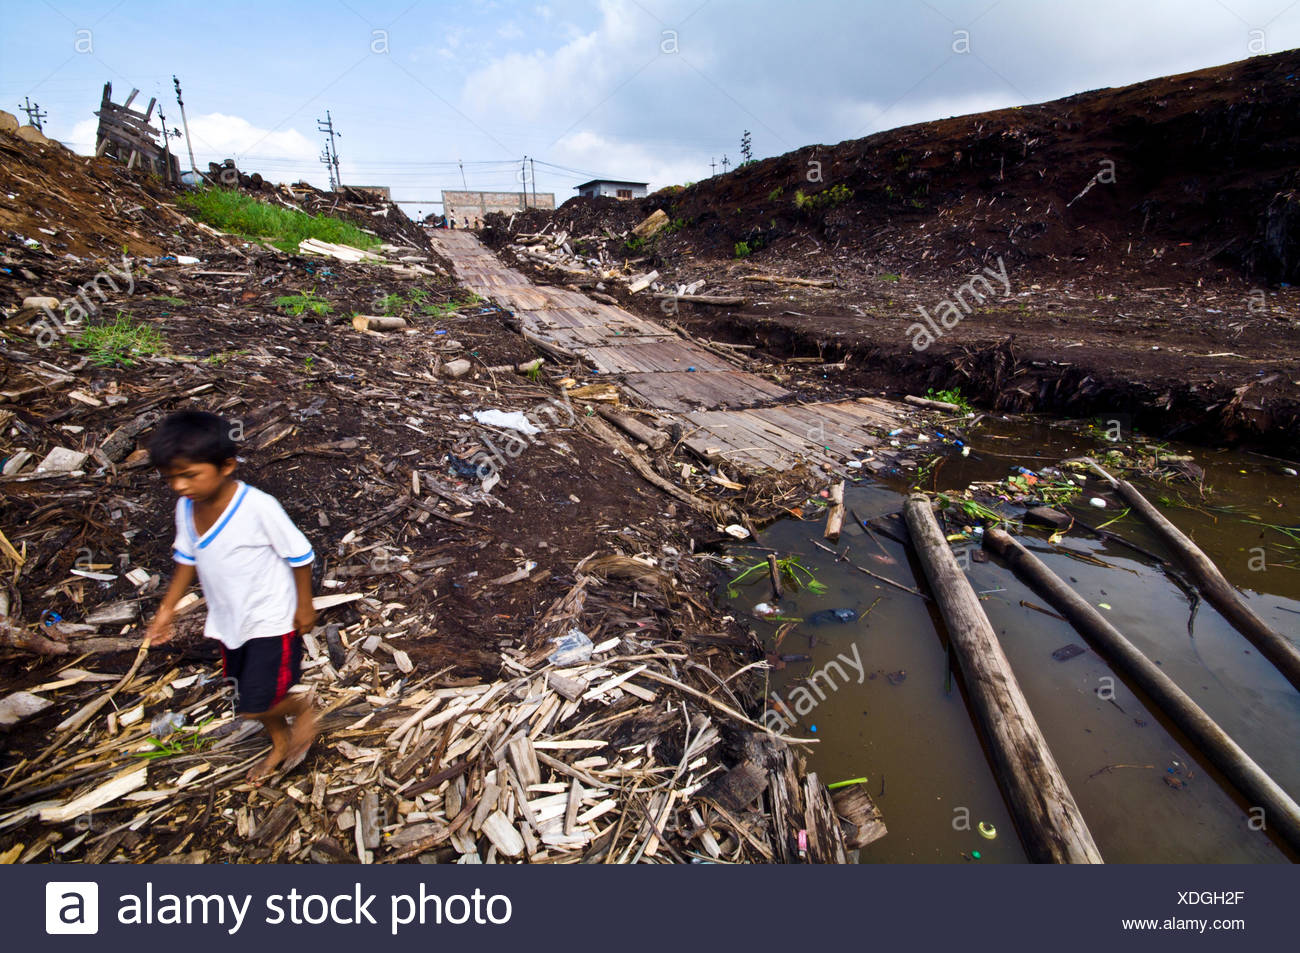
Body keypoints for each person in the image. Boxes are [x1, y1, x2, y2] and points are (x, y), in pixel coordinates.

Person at [145, 411, 320, 782]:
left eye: (189, 475)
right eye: (171, 477)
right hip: (230, 623)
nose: (179, 486)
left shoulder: (258, 507)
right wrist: (167, 610)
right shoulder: (187, 508)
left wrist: (304, 606)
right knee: (248, 702)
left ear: (226, 466)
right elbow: (186, 560)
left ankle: (302, 709)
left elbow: (301, 555)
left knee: (259, 702)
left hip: (271, 619)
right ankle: (280, 741)